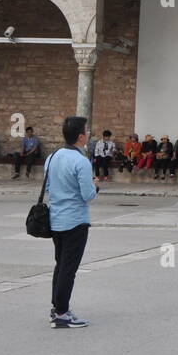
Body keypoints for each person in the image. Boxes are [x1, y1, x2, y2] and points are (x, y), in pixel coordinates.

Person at [47, 115, 99, 330]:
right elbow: (87, 195)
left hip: (56, 218)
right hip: (75, 220)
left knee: (61, 265)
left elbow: (50, 188)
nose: (88, 133)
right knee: (69, 268)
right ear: (80, 137)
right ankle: (61, 313)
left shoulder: (53, 156)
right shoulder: (81, 161)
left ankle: (56, 306)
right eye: (87, 130)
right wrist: (95, 185)